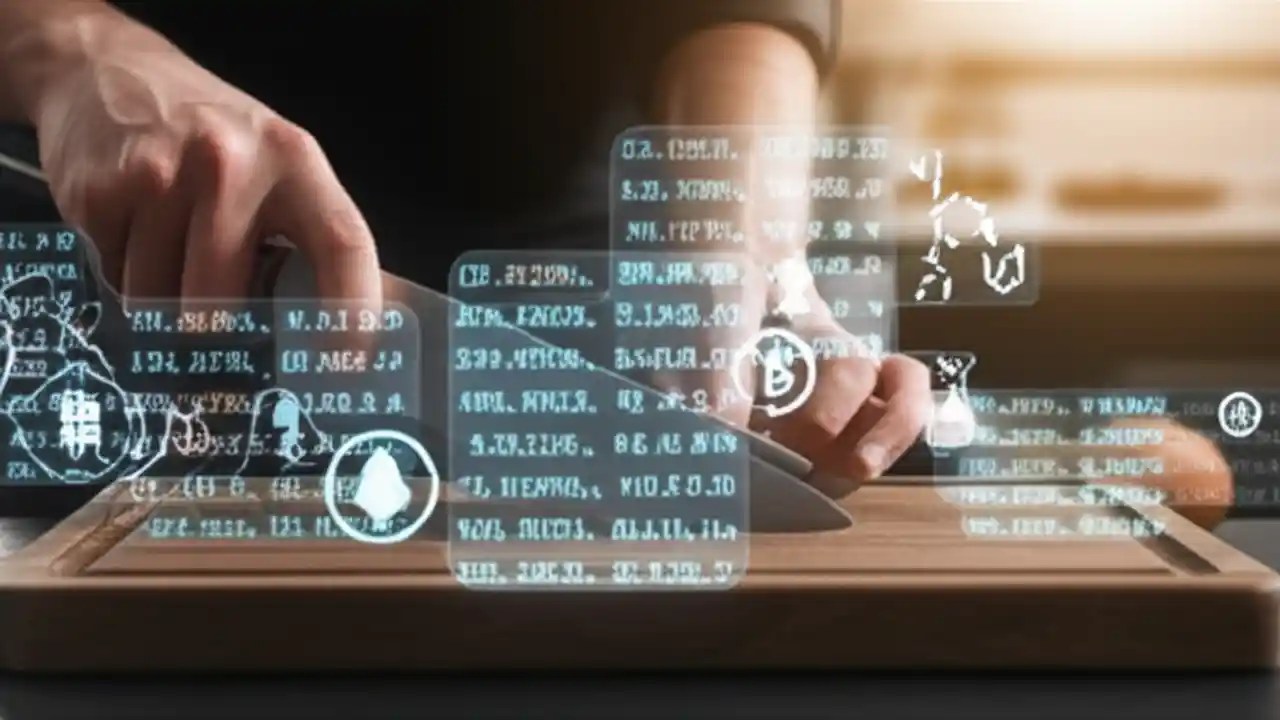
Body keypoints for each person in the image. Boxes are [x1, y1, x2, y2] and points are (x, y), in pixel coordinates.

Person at [0, 0, 936, 485]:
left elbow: (731, 20)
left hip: (579, 312)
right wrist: (71, 46)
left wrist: (744, 250)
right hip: (121, 279)